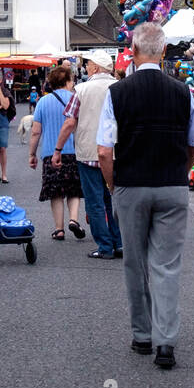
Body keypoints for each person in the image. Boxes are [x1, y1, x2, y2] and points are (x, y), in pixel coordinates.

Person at [96, 23, 194, 370]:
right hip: (172, 185)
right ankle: (166, 341)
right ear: (163, 51)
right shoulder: (182, 91)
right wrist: (181, 173)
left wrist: (113, 185)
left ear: (134, 51)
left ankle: (142, 334)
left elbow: (103, 151)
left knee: (135, 262)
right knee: (167, 265)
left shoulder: (117, 92)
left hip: (131, 184)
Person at [52, 49, 122, 259]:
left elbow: (70, 121)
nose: (87, 67)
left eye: (90, 64)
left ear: (97, 68)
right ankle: (119, 243)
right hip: (116, 152)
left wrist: (58, 149)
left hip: (88, 151)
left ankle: (105, 246)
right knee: (114, 198)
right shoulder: (120, 88)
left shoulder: (81, 89)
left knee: (94, 202)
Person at [29, 66, 84, 240]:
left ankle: (59, 229)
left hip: (50, 153)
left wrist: (32, 154)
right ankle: (74, 220)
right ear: (68, 81)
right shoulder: (77, 99)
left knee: (56, 192)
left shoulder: (43, 102)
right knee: (74, 189)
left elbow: (36, 131)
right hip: (74, 151)